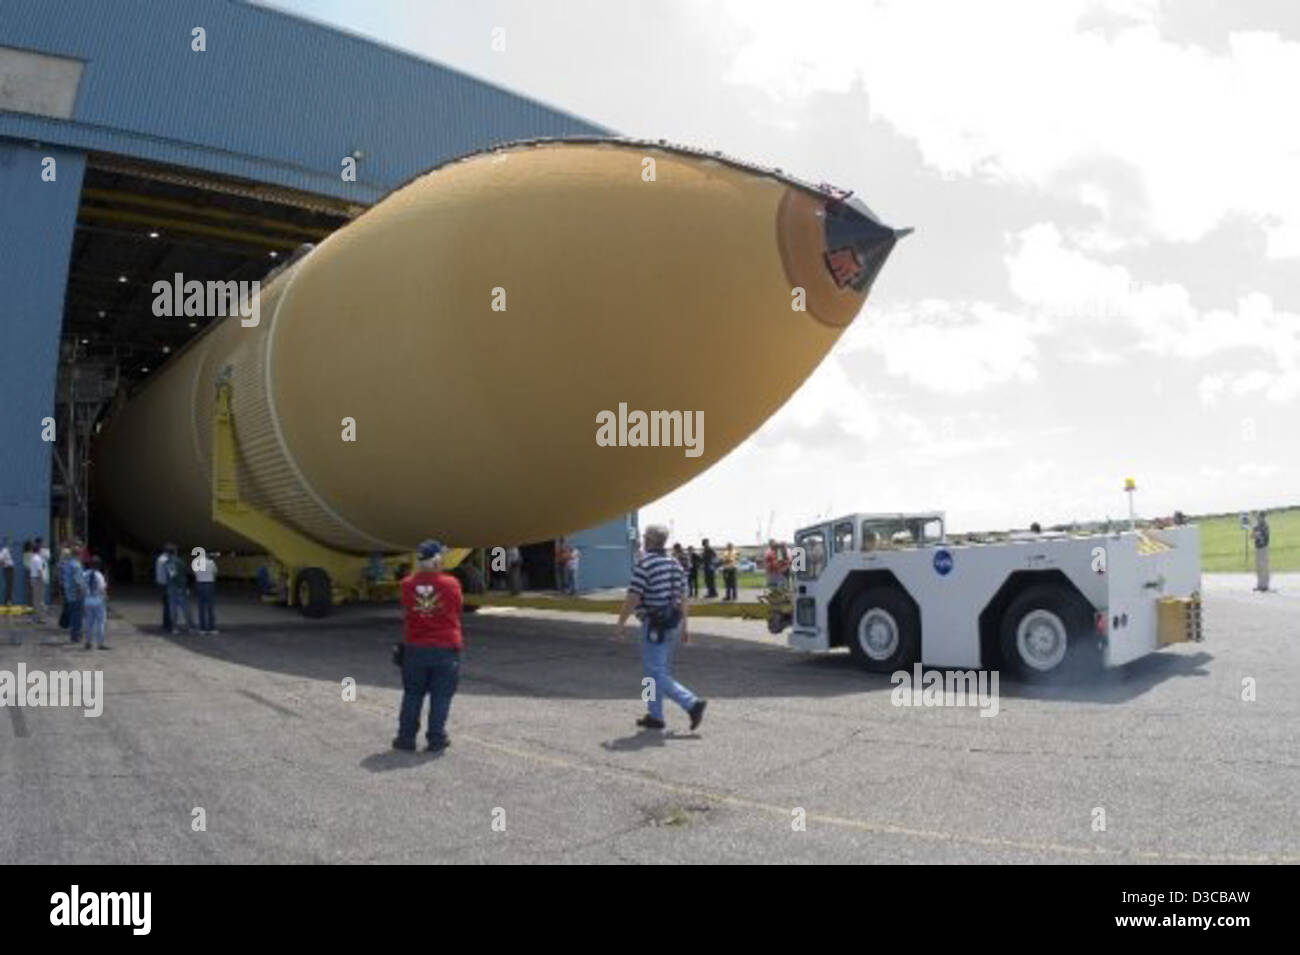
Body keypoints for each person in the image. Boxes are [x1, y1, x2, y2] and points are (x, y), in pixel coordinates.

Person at [618, 524, 706, 732]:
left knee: (655, 674)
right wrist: (685, 627)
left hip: (653, 625)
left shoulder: (645, 563)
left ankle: (692, 703)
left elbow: (633, 596)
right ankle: (654, 715)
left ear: (649, 540)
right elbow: (684, 598)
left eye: (644, 537)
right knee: (653, 672)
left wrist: (621, 622)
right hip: (673, 622)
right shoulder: (675, 564)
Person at [394, 539, 463, 752]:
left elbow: (407, 608)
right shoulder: (451, 583)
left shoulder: (406, 585)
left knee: (412, 694)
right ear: (435, 560)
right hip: (444, 647)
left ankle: (405, 739)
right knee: (440, 696)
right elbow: (457, 607)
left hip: (415, 647)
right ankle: (436, 739)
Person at [164, 544, 195, 634]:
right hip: (181, 587)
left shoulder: (168, 562)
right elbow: (187, 573)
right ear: (175, 552)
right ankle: (191, 627)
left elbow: (172, 576)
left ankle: (175, 628)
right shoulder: (181, 561)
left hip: (172, 588)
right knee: (186, 608)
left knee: (173, 609)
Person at [59, 545, 86, 644]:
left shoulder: (68, 564)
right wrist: (82, 593)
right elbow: (78, 582)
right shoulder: (76, 565)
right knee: (77, 616)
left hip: (69, 593)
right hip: (76, 594)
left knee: (73, 615)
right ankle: (76, 635)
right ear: (79, 554)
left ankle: (73, 635)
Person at [82, 557, 109, 650]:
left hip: (87, 600)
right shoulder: (99, 575)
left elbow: (81, 587)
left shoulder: (84, 574)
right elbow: (102, 589)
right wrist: (106, 598)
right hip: (98, 600)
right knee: (100, 622)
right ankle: (100, 643)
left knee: (88, 622)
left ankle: (88, 642)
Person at [195, 551, 219, 634]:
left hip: (200, 584)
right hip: (209, 584)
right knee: (210, 607)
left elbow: (196, 573)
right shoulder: (211, 562)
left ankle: (202, 628)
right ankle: (211, 628)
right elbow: (215, 572)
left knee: (201, 607)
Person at [155, 544, 174, 632]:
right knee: (169, 606)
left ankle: (165, 624)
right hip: (167, 584)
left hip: (161, 583)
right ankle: (168, 625)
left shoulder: (160, 559)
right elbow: (171, 573)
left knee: (166, 605)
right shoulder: (167, 560)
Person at [28, 539, 47, 624]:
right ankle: (40, 618)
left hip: (33, 578)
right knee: (40, 600)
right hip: (38, 580)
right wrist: (42, 580)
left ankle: (35, 617)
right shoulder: (38, 559)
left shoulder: (33, 558)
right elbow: (40, 572)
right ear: (39, 550)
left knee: (35, 600)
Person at [1253, 511, 1271, 592]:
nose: (1258, 518)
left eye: (1260, 517)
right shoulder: (1256, 526)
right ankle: (1259, 584)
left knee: (1264, 566)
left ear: (1263, 517)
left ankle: (1265, 585)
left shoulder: (1265, 525)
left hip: (1264, 547)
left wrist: (1259, 534)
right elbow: (1252, 535)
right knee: (1258, 567)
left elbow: (1265, 535)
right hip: (1257, 548)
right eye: (1258, 517)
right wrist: (1255, 534)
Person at [0, 536, 13, 606]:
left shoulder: (7, 550)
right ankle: (8, 601)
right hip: (8, 569)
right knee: (9, 585)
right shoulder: (4, 550)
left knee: (10, 585)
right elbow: (0, 559)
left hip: (9, 568)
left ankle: (8, 600)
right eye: (9, 542)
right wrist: (4, 564)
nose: (10, 543)